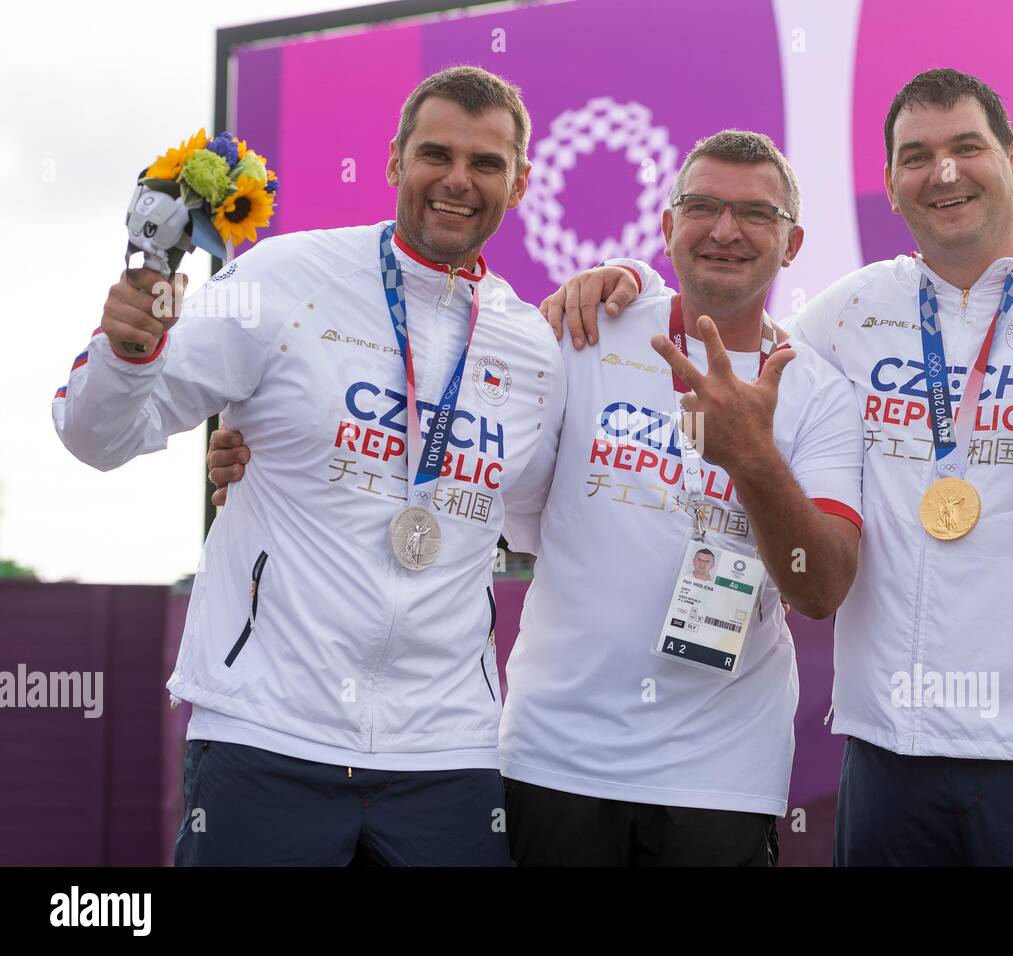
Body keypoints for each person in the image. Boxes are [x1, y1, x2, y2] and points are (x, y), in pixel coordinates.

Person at [537, 69, 1013, 866]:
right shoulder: (850, 314)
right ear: (889, 184)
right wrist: (626, 283)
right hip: (894, 758)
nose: (943, 173)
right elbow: (736, 325)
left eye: (966, 148)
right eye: (916, 156)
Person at [211, 130, 865, 867]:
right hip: (552, 758)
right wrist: (272, 452)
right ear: (665, 226)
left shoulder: (819, 393)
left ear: (794, 242)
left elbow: (821, 589)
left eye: (755, 214)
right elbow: (461, 449)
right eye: (702, 205)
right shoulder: (587, 331)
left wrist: (752, 457)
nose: (724, 229)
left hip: (721, 776)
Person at [53, 66, 564, 866]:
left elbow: (531, 518)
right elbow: (100, 438)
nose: (458, 181)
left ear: (520, 182)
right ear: (394, 161)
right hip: (268, 731)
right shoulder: (279, 278)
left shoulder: (534, 349)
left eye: (486, 163)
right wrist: (125, 355)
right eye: (435, 154)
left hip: (447, 753)